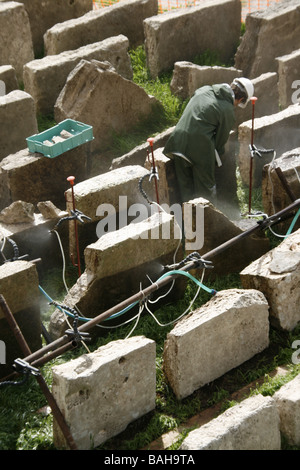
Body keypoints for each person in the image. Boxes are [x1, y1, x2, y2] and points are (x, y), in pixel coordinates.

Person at [163, 77, 254, 205]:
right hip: (199, 148)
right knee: (205, 192)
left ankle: (190, 223)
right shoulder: (227, 110)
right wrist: (218, 158)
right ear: (241, 99)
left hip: (177, 142)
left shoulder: (204, 90)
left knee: (186, 190)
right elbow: (219, 142)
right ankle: (206, 223)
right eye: (238, 104)